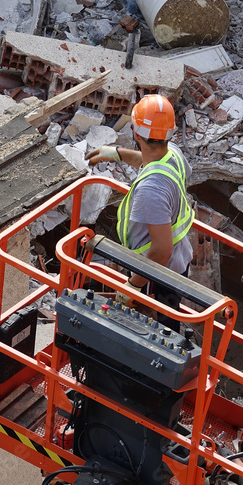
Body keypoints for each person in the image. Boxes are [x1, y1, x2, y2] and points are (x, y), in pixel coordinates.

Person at [86, 94, 193, 329]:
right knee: (167, 318)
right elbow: (150, 160)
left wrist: (132, 287)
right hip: (178, 260)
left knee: (157, 330)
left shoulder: (151, 191)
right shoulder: (172, 152)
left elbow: (161, 251)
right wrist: (116, 153)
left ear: (136, 133)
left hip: (157, 273)